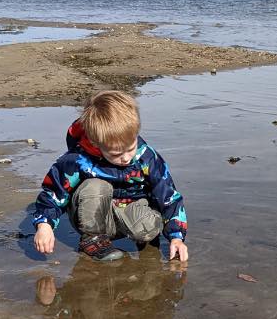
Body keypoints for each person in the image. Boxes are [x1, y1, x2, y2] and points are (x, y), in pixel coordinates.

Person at [31, 90, 189, 262]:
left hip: (128, 213)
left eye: (130, 148)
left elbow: (169, 196)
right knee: (95, 187)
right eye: (116, 154)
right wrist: (44, 225)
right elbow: (53, 194)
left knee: (149, 226)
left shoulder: (146, 157)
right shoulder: (77, 160)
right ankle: (91, 240)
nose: (126, 158)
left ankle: (143, 235)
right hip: (92, 214)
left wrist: (176, 237)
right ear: (95, 143)